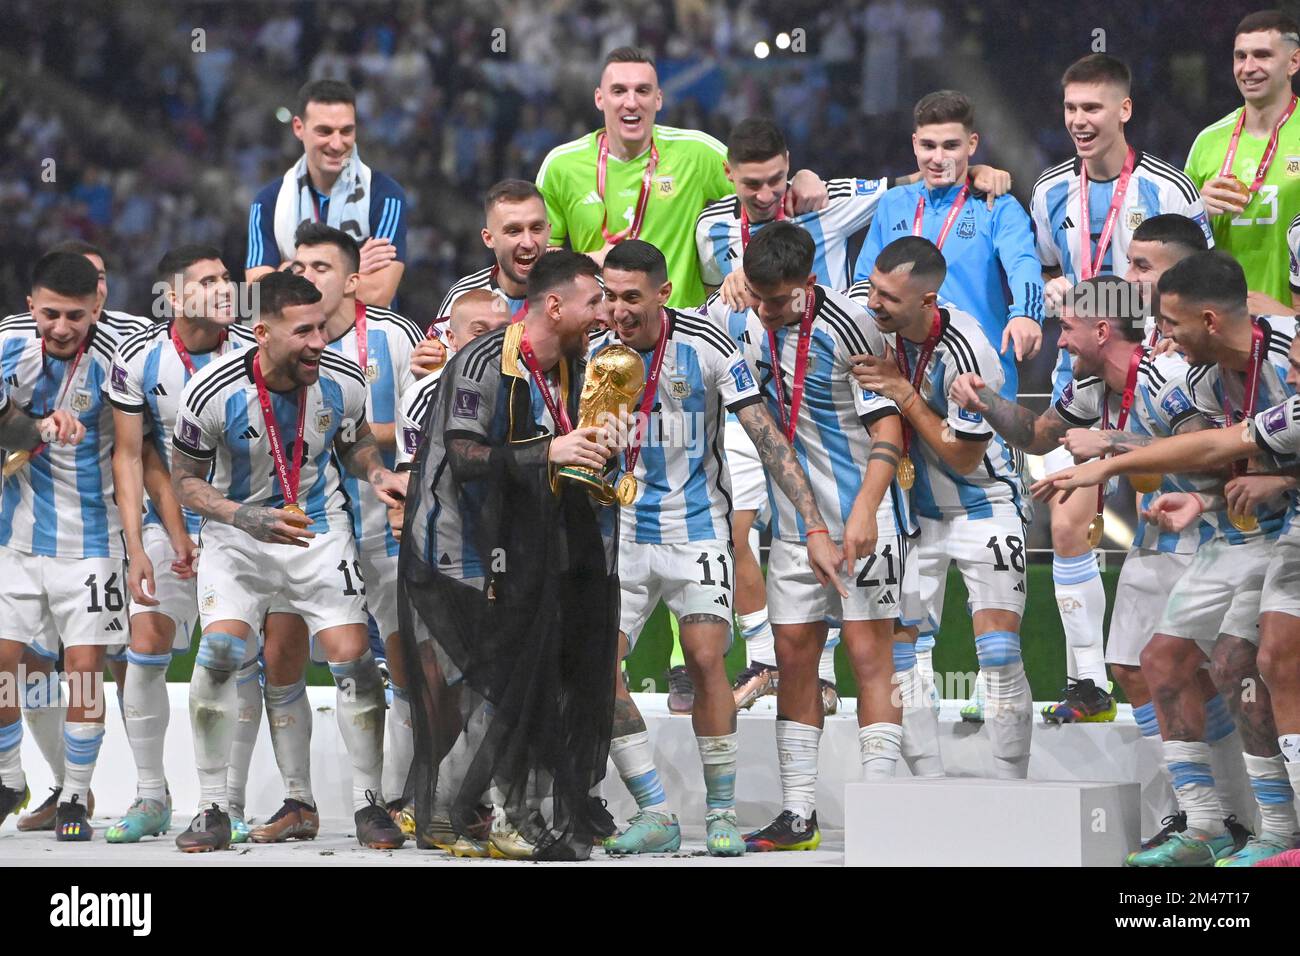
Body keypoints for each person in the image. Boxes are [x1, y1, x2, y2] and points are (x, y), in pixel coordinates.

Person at [949, 274, 1251, 849]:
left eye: (1068, 328)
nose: (1060, 343)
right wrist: (982, 398)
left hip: (1209, 537)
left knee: (1203, 676)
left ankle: (1230, 815)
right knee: (1133, 671)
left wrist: (1112, 444)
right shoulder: (1092, 389)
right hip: (1154, 544)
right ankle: (1189, 813)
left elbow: (1215, 458)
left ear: (1103, 329)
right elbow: (1040, 436)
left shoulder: (1167, 379)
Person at [592, 239, 839, 856]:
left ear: (662, 293)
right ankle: (655, 811)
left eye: (631, 297)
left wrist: (810, 522)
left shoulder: (706, 345)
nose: (618, 310)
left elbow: (766, 438)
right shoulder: (593, 352)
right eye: (609, 296)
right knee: (597, 670)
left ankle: (722, 814)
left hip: (697, 532)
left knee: (705, 659)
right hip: (620, 539)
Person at [1034, 333, 1300, 866]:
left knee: (1249, 662)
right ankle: (1209, 824)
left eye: (1172, 320)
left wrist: (1110, 451)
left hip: (1264, 539)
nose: (1165, 338)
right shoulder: (1205, 376)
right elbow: (1223, 458)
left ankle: (1274, 828)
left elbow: (1217, 447)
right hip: (1233, 533)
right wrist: (1203, 497)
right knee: (1160, 660)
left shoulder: (1244, 363)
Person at [169, 271, 407, 852]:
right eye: (303, 331)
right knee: (222, 653)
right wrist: (244, 517)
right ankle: (209, 807)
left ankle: (368, 804)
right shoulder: (209, 392)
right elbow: (183, 481)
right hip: (238, 538)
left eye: (322, 327)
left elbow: (353, 444)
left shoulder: (343, 381)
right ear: (263, 333)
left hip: (318, 535)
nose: (318, 342)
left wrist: (377, 474)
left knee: (352, 660)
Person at [397, 250, 621, 861]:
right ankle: (461, 810)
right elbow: (465, 457)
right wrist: (551, 451)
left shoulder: (580, 363)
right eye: (595, 301)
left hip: (516, 540)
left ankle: (468, 812)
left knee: (524, 681)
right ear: (555, 306)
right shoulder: (481, 361)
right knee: (505, 686)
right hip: (454, 540)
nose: (606, 312)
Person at [707, 222, 904, 851]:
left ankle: (880, 810)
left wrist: (867, 510)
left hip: (862, 522)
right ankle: (798, 815)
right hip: (796, 525)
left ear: (810, 283)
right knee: (793, 657)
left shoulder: (852, 328)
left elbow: (888, 431)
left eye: (780, 299)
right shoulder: (743, 324)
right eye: (758, 297)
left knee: (871, 658)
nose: (766, 310)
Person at [1029, 53, 1212, 724]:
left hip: (1157, 366)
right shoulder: (1049, 189)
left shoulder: (1167, 189)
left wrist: (1177, 331)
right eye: (1072, 107)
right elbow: (1050, 270)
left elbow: (1202, 270)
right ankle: (1088, 683)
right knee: (1068, 516)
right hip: (1082, 368)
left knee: (1172, 509)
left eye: (1093, 108)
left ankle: (1192, 669)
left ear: (1123, 110)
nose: (1080, 120)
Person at [852, 236, 1033, 782]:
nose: (874, 303)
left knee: (998, 651)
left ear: (928, 301)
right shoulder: (871, 314)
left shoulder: (969, 351)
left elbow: (960, 454)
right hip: (912, 515)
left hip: (984, 504)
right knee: (901, 655)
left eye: (888, 297)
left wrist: (904, 394)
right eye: (874, 289)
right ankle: (928, 784)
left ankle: (1010, 785)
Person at [103, 246, 263, 845]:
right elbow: (132, 452)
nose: (226, 289)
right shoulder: (138, 355)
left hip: (235, 523)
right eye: (208, 282)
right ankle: (149, 795)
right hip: (161, 519)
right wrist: (146, 544)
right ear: (174, 297)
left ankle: (225, 803)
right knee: (145, 642)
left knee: (234, 658)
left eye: (227, 279)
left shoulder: (252, 350)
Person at [0, 252, 149, 841]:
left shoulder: (123, 357)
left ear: (98, 308)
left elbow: (135, 451)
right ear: (32, 305)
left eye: (76, 316)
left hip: (93, 540)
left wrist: (137, 546)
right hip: (13, 538)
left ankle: (77, 799)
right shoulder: (7, 347)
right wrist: (36, 427)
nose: (62, 328)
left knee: (84, 669)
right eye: (51, 314)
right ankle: (11, 780)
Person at [246, 80, 408, 308]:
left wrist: (287, 270)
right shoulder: (267, 202)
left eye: (346, 131)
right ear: (298, 128)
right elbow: (257, 295)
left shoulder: (385, 195)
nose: (336, 143)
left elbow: (379, 293)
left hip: (366, 339)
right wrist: (350, 268)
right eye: (324, 131)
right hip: (296, 340)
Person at [1186, 10, 1300, 305]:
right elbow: (1175, 245)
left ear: (1293, 62)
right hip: (1224, 329)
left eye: (1262, 55)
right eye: (1241, 56)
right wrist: (1198, 210)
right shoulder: (1207, 142)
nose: (1248, 68)